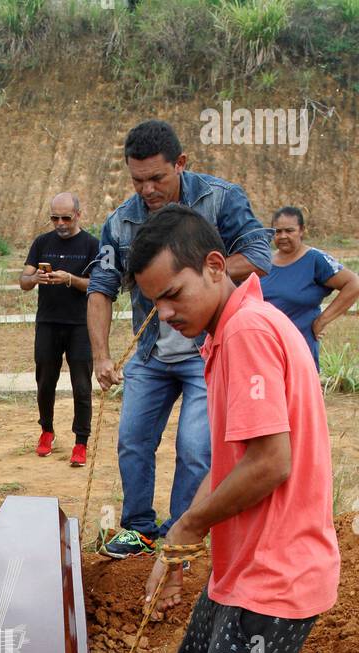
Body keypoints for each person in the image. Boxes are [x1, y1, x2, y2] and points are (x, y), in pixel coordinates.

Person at [132, 206, 339, 653]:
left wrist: (186, 526)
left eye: (175, 294)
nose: (166, 313)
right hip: (246, 560)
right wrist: (189, 546)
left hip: (278, 576)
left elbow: (270, 463)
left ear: (216, 267)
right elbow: (231, 464)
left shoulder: (247, 333)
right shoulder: (229, 330)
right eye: (155, 301)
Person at [88, 119, 271, 558]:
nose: (147, 190)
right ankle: (138, 528)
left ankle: (179, 531)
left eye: (157, 178)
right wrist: (101, 356)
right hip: (150, 352)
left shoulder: (221, 199)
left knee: (194, 447)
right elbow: (100, 288)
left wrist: (193, 279)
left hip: (204, 350)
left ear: (181, 164)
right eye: (137, 181)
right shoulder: (120, 222)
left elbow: (260, 257)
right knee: (132, 439)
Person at [20, 193, 99, 466]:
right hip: (48, 323)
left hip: (80, 324)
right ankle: (47, 431)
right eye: (55, 218)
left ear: (78, 214)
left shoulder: (91, 245)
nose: (61, 223)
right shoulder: (42, 242)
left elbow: (97, 285)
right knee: (44, 382)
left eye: (66, 217)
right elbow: (23, 280)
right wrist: (35, 278)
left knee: (81, 385)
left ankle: (81, 442)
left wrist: (70, 279)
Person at [261, 206, 359, 367]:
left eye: (289, 230)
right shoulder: (264, 263)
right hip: (266, 351)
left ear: (302, 230)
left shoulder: (315, 260)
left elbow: (354, 284)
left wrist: (321, 321)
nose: (283, 236)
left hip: (300, 352)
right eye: (277, 231)